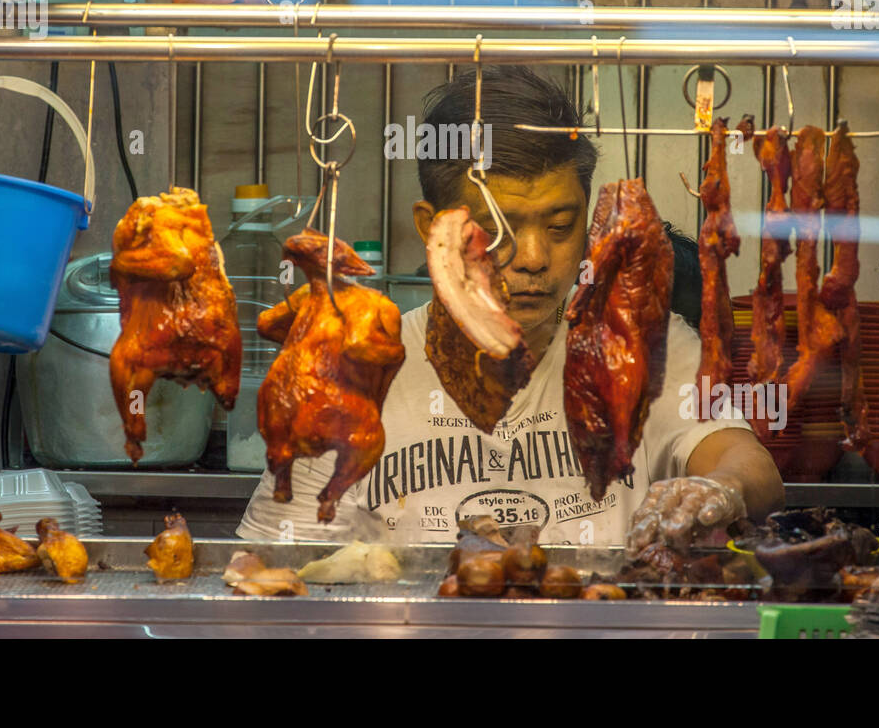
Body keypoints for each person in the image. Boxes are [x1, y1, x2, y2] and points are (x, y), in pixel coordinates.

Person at [239, 66, 783, 545]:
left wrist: (721, 488)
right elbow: (273, 569)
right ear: (435, 232)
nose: (533, 257)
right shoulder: (358, 370)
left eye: (561, 226)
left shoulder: (637, 351)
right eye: (497, 230)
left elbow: (745, 463)